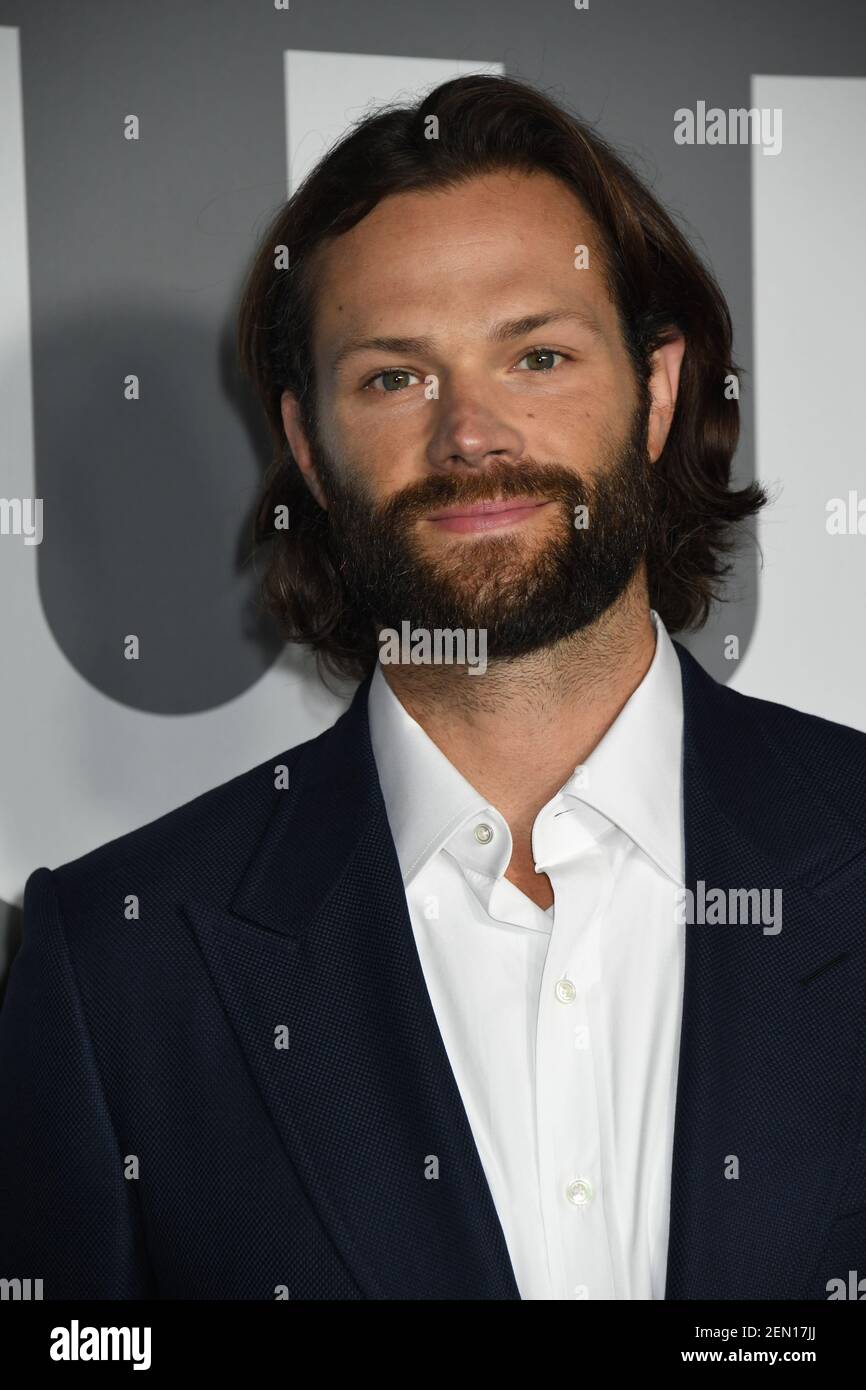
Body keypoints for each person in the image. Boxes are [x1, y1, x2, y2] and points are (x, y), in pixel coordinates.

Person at [2, 73, 865, 1301]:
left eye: (539, 354)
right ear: (308, 444)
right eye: (394, 377)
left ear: (659, 390)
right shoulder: (117, 969)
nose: (470, 433)